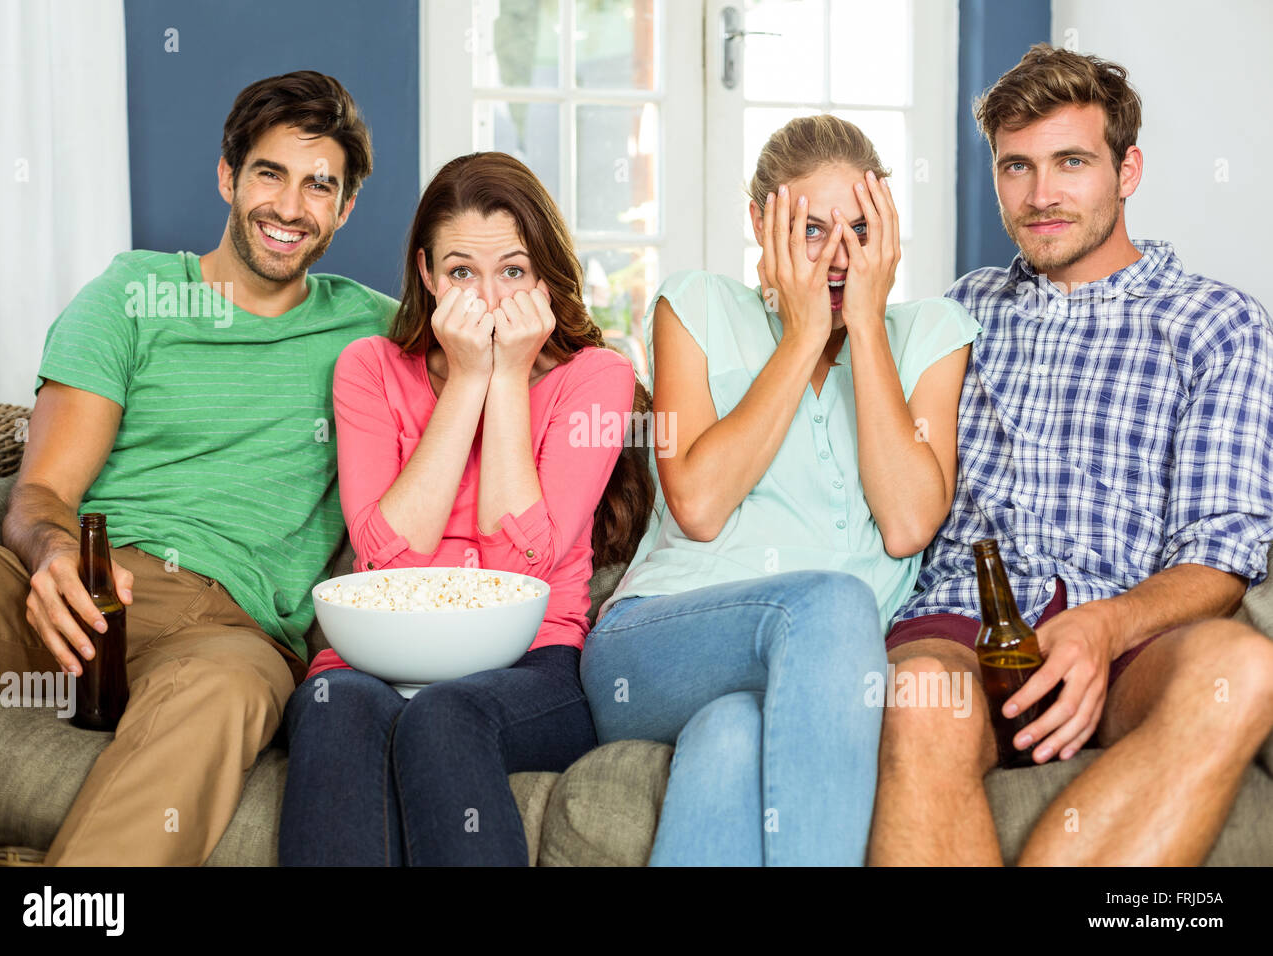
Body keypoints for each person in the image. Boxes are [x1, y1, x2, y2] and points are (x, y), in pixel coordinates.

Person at [0, 71, 396, 865]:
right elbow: (40, 492)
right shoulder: (133, 293)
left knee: (226, 692)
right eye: (270, 173)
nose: (290, 207)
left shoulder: (376, 333)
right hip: (81, 586)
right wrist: (57, 554)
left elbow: (530, 367)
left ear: (343, 209)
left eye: (320, 186)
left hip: (224, 632)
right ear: (229, 177)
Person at [873, 44, 1273, 866]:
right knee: (919, 698)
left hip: (1128, 637)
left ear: (1127, 170)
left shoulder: (1215, 324)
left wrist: (1104, 626)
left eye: (1071, 162)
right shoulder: (958, 312)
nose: (1041, 194)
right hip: (959, 627)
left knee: (1248, 666)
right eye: (1016, 166)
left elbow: (1222, 554)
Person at [579, 115, 981, 866]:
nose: (837, 256)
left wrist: (864, 327)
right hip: (659, 644)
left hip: (797, 676)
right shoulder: (694, 307)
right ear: (760, 224)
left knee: (731, 738)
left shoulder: (930, 334)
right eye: (810, 229)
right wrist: (801, 337)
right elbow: (697, 505)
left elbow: (907, 523)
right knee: (833, 602)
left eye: (859, 230)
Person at [278, 151, 654, 866]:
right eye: (460, 273)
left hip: (533, 664)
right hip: (372, 655)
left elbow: (526, 565)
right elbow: (383, 561)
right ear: (426, 275)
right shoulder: (369, 369)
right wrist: (466, 382)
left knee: (444, 715)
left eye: (511, 271)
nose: (487, 299)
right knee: (336, 709)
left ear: (543, 273)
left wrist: (507, 375)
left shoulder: (596, 380)